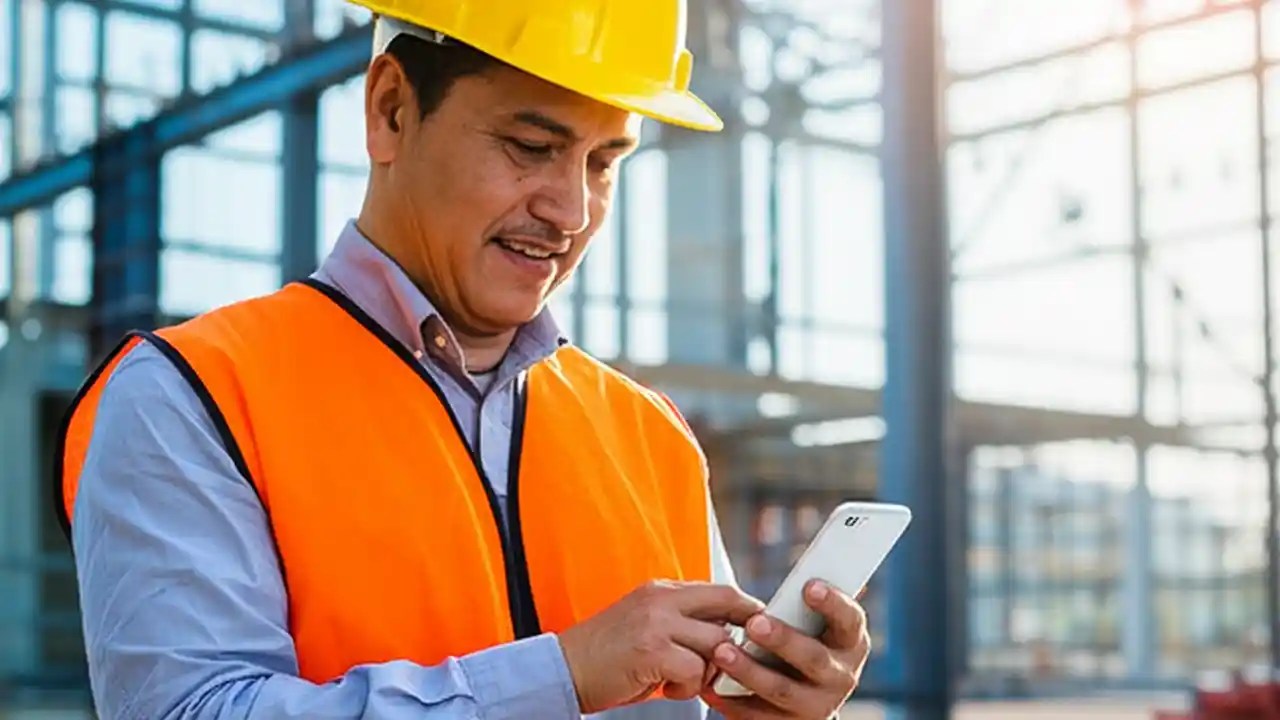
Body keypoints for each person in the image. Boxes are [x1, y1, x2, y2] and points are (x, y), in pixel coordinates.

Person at [55, 2, 871, 718]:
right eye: (531, 145)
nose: (571, 210)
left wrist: (774, 713)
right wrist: (563, 675)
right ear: (390, 111)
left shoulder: (651, 438)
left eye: (603, 163)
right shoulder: (190, 397)